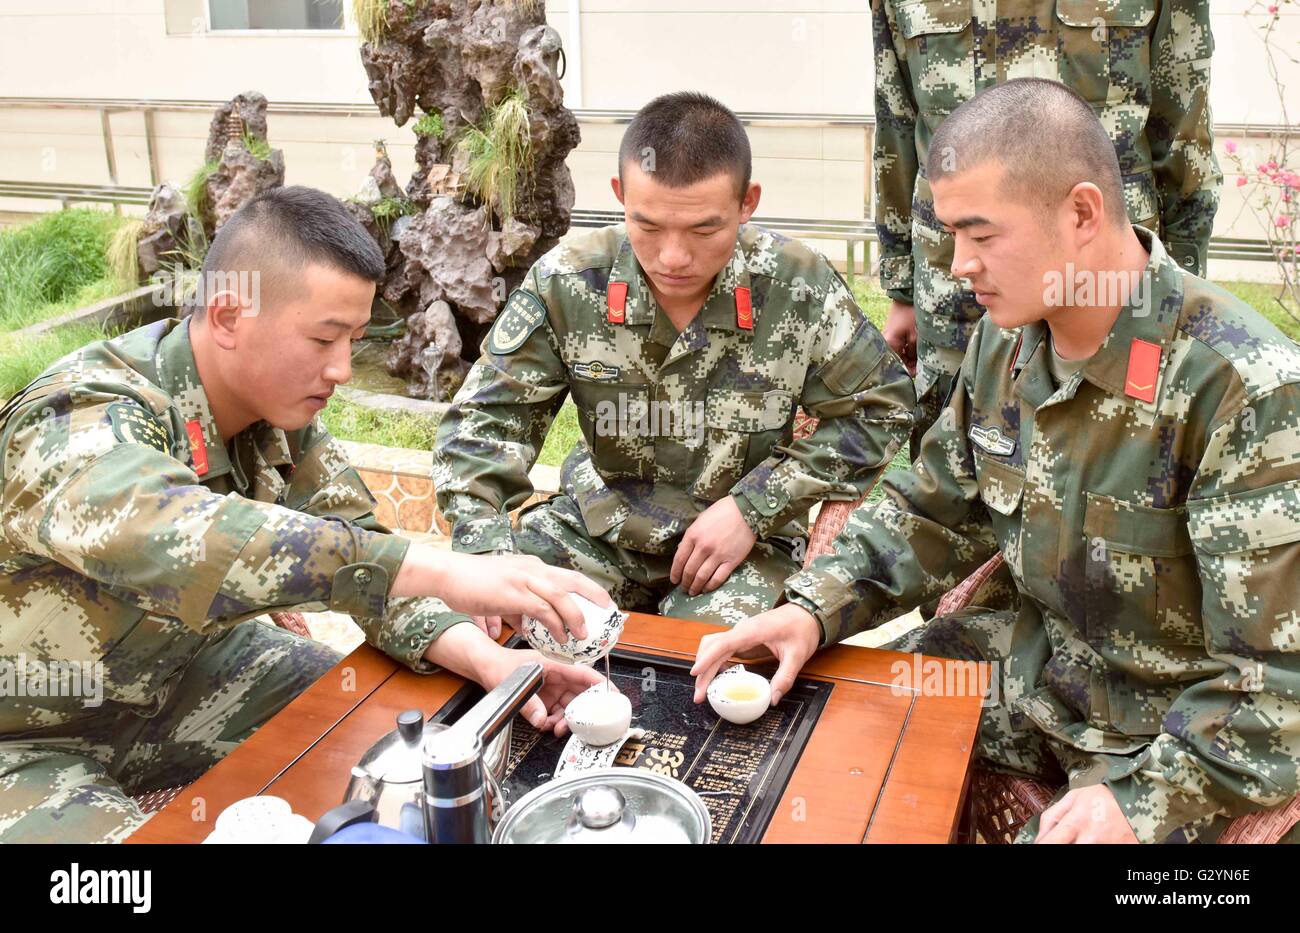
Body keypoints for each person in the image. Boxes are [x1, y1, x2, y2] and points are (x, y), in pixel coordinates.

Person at [693, 80, 1300, 844]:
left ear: (1081, 213)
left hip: (1172, 737)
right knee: (833, 733)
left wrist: (1140, 801)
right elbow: (931, 504)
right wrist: (809, 609)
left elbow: (1275, 688)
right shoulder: (1008, 340)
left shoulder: (1246, 392)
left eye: (980, 235)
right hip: (1039, 678)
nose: (956, 265)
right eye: (950, 234)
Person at [0, 186, 611, 843]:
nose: (344, 368)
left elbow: (371, 567)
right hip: (31, 730)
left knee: (381, 738)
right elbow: (188, 538)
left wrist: (500, 670)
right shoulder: (80, 415)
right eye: (325, 338)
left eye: (354, 337)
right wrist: (448, 569)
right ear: (232, 316)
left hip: (182, 678)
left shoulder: (276, 415)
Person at [433, 91, 915, 633]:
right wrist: (489, 556)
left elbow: (883, 407)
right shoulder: (568, 281)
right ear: (619, 195)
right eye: (649, 225)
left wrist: (755, 506)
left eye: (705, 230)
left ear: (747, 203)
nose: (674, 257)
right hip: (595, 531)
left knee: (714, 680)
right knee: (460, 634)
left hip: (740, 555)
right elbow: (483, 424)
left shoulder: (794, 285)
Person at [872, 0, 1221, 456]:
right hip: (955, 281)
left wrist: (1181, 282)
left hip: (1103, 277)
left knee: (1119, 458)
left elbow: (1181, 127)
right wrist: (902, 290)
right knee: (959, 458)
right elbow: (896, 125)